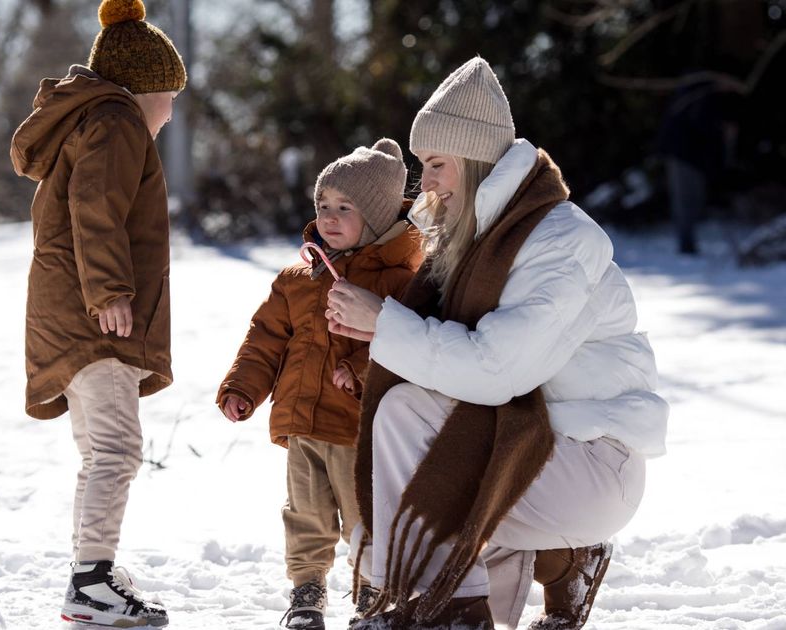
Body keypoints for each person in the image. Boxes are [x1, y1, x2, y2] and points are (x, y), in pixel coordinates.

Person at [326, 58, 669, 630]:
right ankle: (553, 563)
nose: (425, 183)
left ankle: (451, 608)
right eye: (422, 165)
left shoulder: (559, 240)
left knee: (409, 414)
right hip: (535, 449)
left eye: (437, 164)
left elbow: (495, 371)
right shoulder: (474, 240)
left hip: (591, 460)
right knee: (392, 503)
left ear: (476, 161)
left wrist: (386, 326)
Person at [9, 0, 185, 626]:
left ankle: (93, 572)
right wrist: (110, 291)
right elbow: (95, 207)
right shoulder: (116, 121)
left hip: (71, 316)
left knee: (100, 452)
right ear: (144, 91)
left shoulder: (94, 120)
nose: (171, 113)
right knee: (117, 450)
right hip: (95, 323)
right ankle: (91, 583)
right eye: (169, 98)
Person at [218, 139, 424, 630]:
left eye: (345, 207)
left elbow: (406, 342)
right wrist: (243, 387)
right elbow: (266, 337)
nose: (329, 217)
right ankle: (306, 589)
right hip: (302, 425)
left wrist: (358, 369)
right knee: (305, 514)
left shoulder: (400, 281)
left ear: (376, 217)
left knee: (364, 516)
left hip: (359, 430)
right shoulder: (298, 278)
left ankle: (373, 590)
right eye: (323, 205)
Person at [657, 74, 739, 255]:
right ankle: (686, 244)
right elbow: (701, 127)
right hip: (682, 154)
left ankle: (688, 242)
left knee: (693, 199)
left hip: (690, 156)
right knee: (686, 199)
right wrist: (722, 132)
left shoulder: (701, 93)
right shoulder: (703, 95)